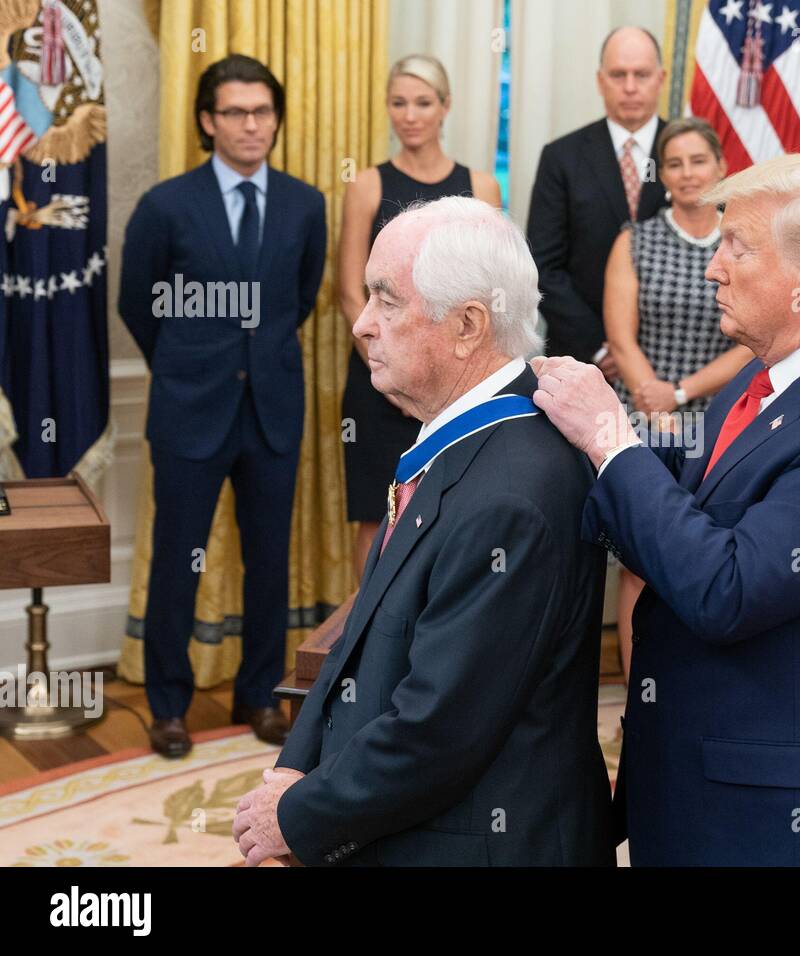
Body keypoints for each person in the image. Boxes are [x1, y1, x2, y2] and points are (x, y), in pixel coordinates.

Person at [532, 154, 800, 866]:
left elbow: (724, 588)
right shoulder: (771, 373)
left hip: (791, 827)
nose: (712, 268)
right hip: (705, 791)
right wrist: (564, 441)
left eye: (738, 247)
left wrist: (607, 436)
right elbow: (696, 486)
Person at [233, 197, 611, 867]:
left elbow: (441, 730)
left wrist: (297, 817)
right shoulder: (464, 441)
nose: (362, 323)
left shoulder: (512, 494)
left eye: (386, 300)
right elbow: (359, 639)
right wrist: (293, 767)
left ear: (467, 325)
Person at [119, 55, 327, 758]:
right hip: (189, 412)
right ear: (208, 121)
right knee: (179, 561)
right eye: (235, 112)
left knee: (268, 561)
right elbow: (139, 303)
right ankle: (168, 706)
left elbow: (299, 300)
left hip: (272, 409)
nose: (251, 125)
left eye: (262, 111)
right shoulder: (166, 205)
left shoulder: (305, 204)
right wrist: (188, 364)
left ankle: (261, 695)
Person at [338, 55, 502, 578]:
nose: (410, 115)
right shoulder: (366, 185)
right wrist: (391, 374)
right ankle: (367, 627)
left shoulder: (482, 187)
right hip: (378, 385)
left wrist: (454, 379)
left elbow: (490, 294)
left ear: (445, 107)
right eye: (399, 103)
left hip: (458, 385)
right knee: (376, 517)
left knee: (455, 511)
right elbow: (349, 293)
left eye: (423, 103)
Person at [604, 116, 753, 679]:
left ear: (721, 166)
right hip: (644, 415)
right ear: (660, 174)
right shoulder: (634, 239)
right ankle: (637, 699)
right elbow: (621, 337)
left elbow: (753, 342)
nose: (687, 173)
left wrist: (682, 393)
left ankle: (691, 694)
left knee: (708, 556)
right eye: (674, 163)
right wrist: (656, 404)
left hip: (724, 416)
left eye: (698, 160)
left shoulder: (744, 241)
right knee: (639, 562)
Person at [527, 26, 668, 371]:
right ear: (600, 81)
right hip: (581, 358)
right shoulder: (561, 157)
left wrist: (638, 355)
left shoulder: (690, 157)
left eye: (641, 75)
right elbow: (543, 265)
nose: (630, 87)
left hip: (670, 361)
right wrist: (601, 349)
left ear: (661, 79)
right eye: (618, 75)